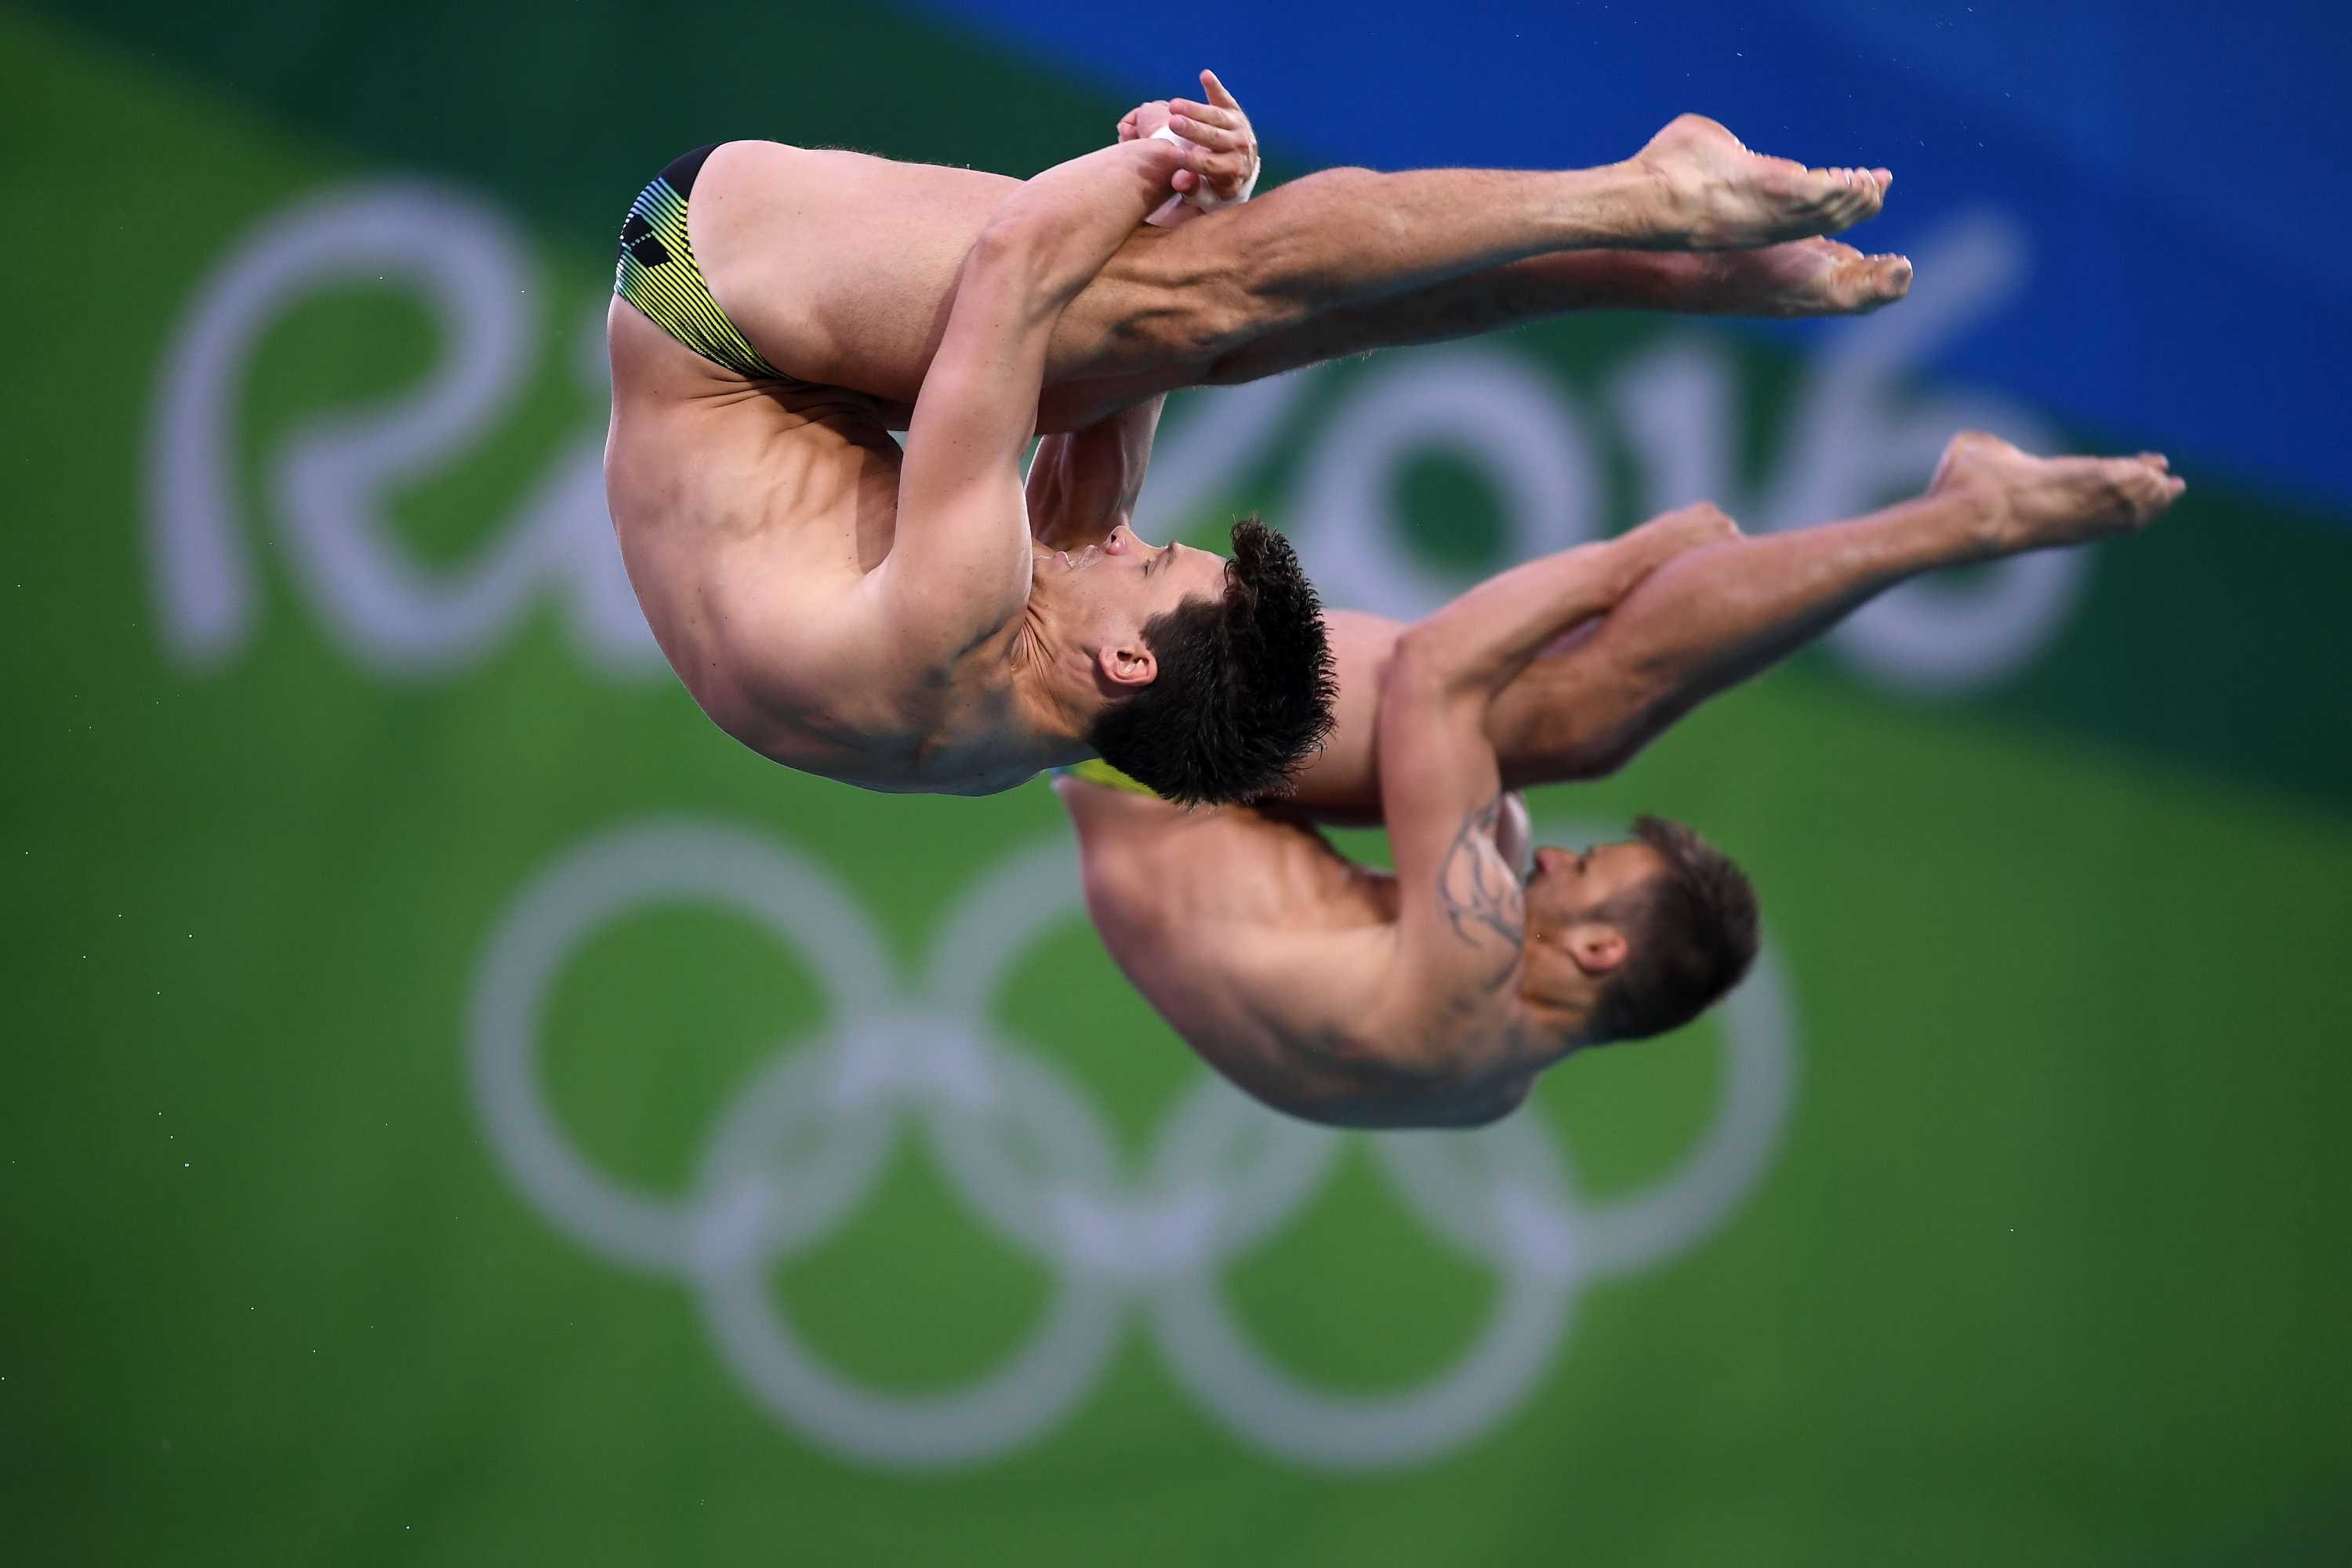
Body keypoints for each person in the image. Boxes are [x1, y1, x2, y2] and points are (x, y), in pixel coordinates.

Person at [604, 74, 1907, 802]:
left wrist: (1161, 168)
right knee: (1208, 329)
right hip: (791, 387)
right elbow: (1103, 441)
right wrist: (1181, 222)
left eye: (1153, 556)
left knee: (1197, 294)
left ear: (1126, 658)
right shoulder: (1044, 715)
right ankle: (1663, 275)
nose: (1126, 532)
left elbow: (1013, 271)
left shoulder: (952, 620)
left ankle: (1653, 194)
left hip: (711, 293)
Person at [1056, 434, 2184, 1127]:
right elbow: (1471, 839)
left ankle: (1956, 519)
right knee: (1555, 736)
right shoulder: (1490, 1084)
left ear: (1600, 953)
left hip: (1161, 744)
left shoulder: (1471, 964)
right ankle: (1950, 520)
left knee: (1564, 712)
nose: (1557, 858)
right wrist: (1489, 823)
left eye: (1584, 870)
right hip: (1174, 794)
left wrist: (1627, 560)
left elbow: (1441, 674)